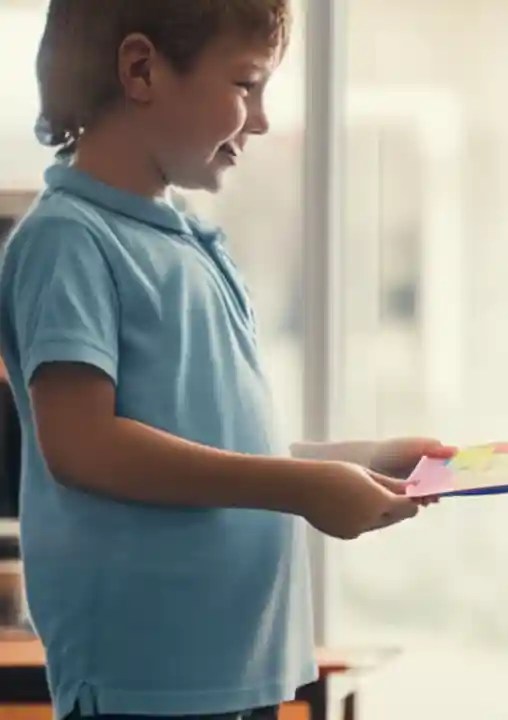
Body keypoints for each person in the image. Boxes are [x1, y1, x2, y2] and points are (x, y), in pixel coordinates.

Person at [0, 2, 453, 718]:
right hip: (146, 683)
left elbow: (212, 446)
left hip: (236, 670)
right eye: (246, 85)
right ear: (141, 70)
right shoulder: (68, 241)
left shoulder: (189, 242)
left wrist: (359, 460)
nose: (262, 120)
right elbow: (83, 446)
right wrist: (303, 489)